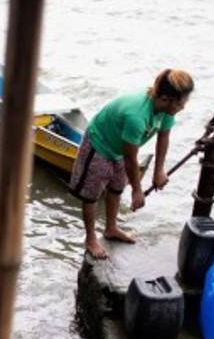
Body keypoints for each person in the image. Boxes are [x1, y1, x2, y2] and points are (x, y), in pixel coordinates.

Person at [69, 69, 194, 259]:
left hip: (119, 149)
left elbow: (163, 137)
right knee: (91, 196)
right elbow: (130, 158)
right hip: (99, 144)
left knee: (116, 188)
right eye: (181, 102)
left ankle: (111, 228)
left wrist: (158, 171)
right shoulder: (137, 116)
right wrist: (137, 189)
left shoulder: (167, 110)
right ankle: (90, 239)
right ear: (167, 98)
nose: (183, 106)